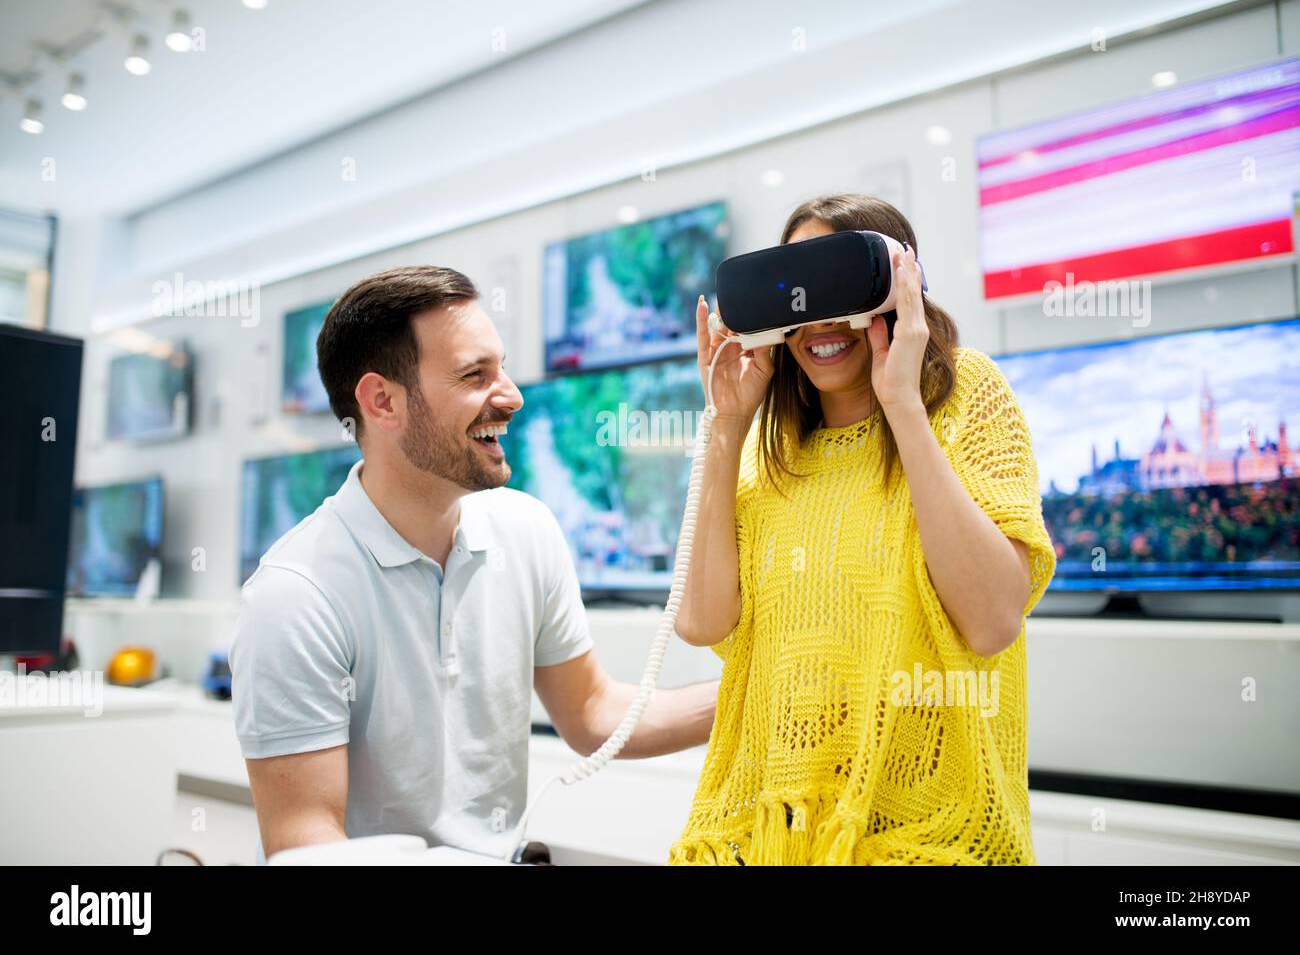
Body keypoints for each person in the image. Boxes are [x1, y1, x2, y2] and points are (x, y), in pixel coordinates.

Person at [229, 265, 718, 863]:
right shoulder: (295, 595)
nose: (511, 395)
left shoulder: (527, 529)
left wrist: (769, 693)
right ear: (382, 401)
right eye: (474, 374)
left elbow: (593, 712)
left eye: (502, 367)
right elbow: (306, 847)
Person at [669, 194, 1057, 865]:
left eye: (839, 283)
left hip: (930, 838)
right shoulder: (772, 447)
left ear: (898, 283)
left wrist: (901, 400)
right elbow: (704, 620)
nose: (820, 319)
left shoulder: (967, 393)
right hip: (777, 837)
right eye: (797, 291)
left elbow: (993, 618)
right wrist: (727, 426)